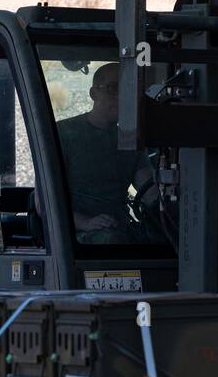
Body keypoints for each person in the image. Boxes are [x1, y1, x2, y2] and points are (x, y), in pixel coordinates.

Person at [55, 63, 158, 243]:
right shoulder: (63, 134)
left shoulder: (130, 141)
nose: (121, 97)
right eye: (112, 88)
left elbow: (149, 193)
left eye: (128, 89)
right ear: (93, 94)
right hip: (78, 235)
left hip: (118, 228)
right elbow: (44, 204)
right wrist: (86, 222)